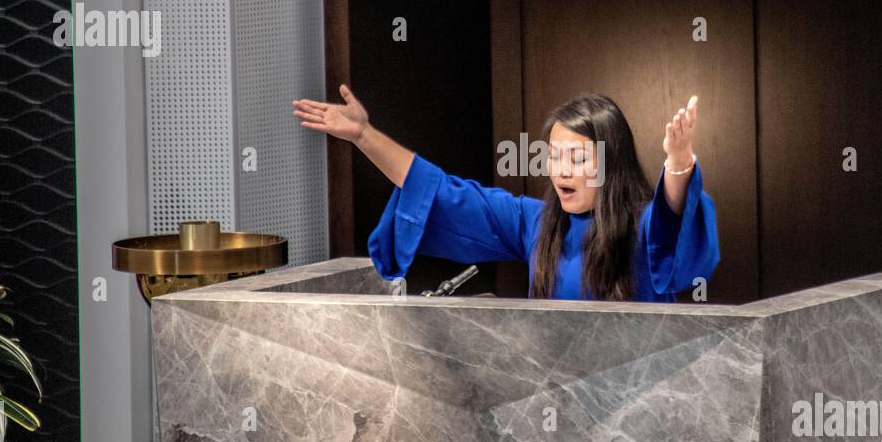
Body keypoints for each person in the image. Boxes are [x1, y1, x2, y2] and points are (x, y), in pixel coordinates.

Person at [293, 86, 718, 301]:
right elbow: (440, 191)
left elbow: (672, 220)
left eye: (578, 158)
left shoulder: (641, 227)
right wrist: (364, 135)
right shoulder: (535, 223)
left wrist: (678, 162)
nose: (561, 170)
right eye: (554, 156)